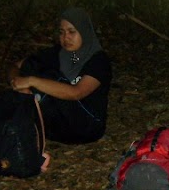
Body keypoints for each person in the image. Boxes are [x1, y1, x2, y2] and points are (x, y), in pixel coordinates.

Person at [6, 8, 112, 146]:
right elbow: (16, 66)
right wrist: (17, 83)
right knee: (33, 67)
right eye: (62, 32)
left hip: (87, 127)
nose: (66, 37)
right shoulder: (57, 53)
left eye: (71, 32)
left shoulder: (98, 60)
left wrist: (32, 81)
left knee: (50, 77)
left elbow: (76, 92)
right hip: (56, 130)